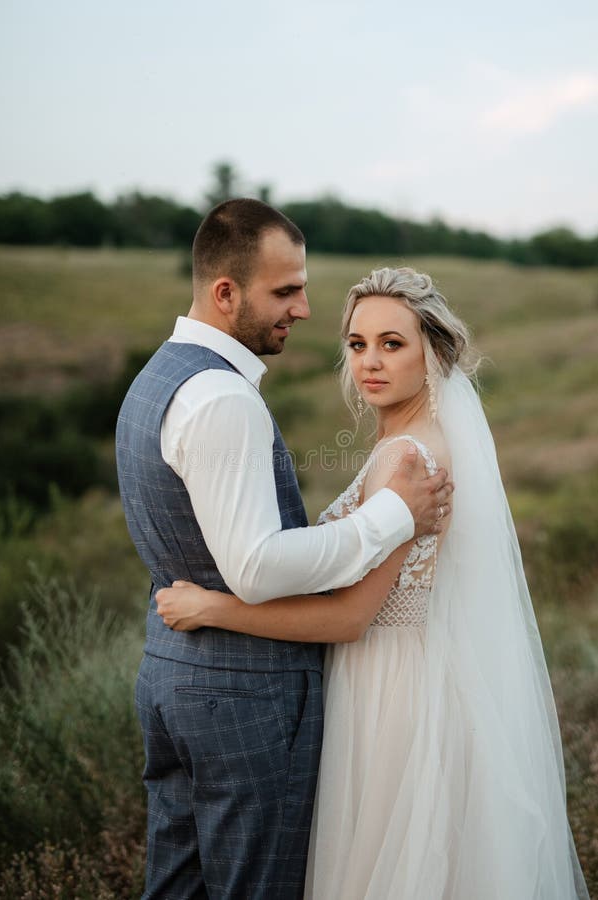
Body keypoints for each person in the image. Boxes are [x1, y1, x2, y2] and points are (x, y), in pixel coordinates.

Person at [157, 267, 590, 900]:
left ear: (433, 352)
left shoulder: (405, 458)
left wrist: (213, 607)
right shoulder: (421, 441)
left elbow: (349, 618)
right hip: (421, 675)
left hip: (391, 697)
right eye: (358, 344)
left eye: (393, 343)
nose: (370, 362)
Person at [115, 205, 453, 900]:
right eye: (284, 291)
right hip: (241, 696)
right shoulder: (222, 399)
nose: (303, 309)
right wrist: (392, 516)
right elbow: (257, 567)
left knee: (176, 884)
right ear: (225, 293)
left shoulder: (157, 377)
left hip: (172, 676)